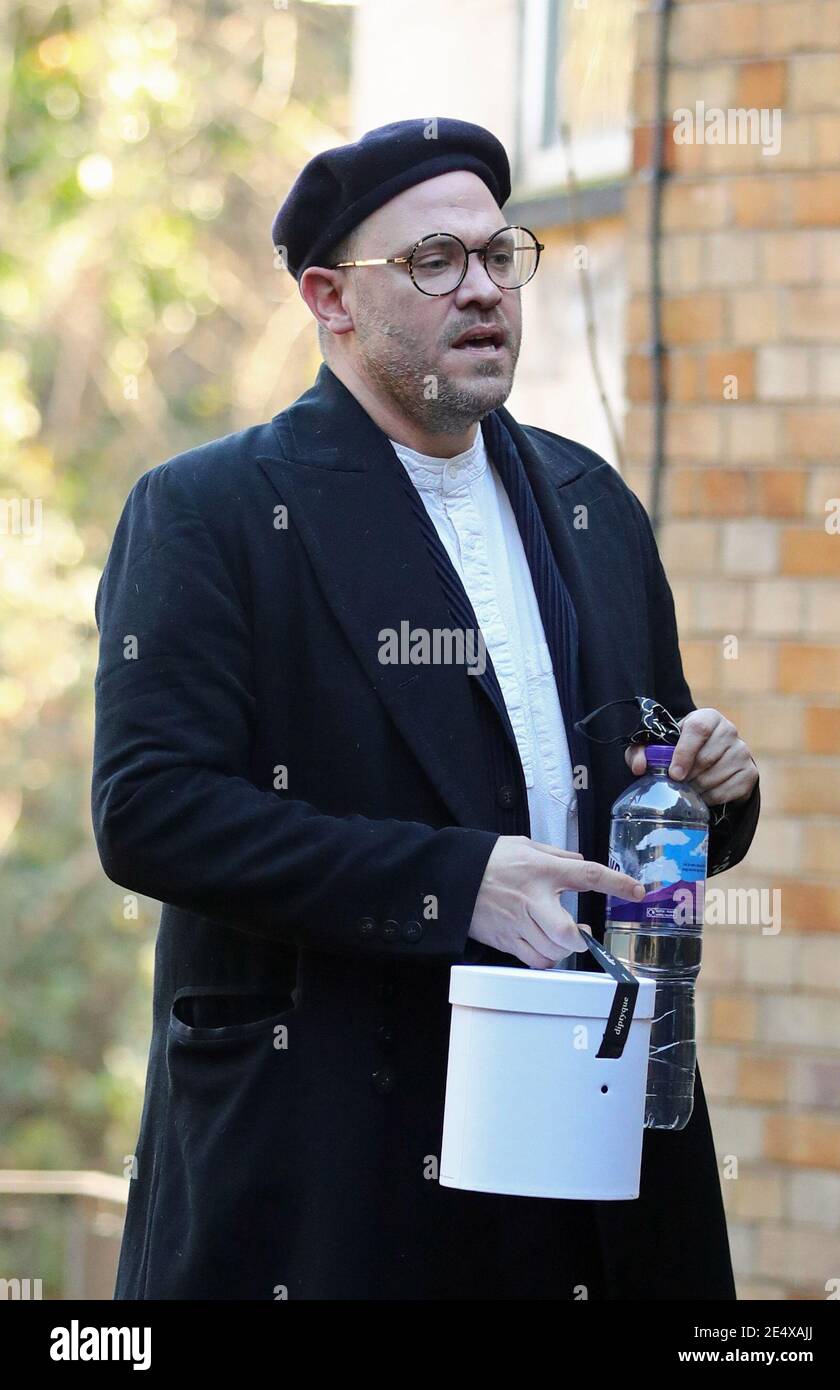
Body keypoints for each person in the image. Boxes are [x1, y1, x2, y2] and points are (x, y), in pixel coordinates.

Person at [93, 117, 760, 1301]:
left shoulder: (590, 498)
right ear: (329, 299)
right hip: (340, 1161)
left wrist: (711, 788)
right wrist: (458, 883)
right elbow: (150, 812)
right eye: (432, 262)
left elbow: (640, 786)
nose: (482, 290)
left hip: (593, 1146)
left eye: (500, 256)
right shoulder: (211, 511)